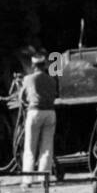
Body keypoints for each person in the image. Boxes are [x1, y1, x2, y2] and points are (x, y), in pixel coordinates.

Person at [21, 51, 58, 180]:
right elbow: (55, 95)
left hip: (34, 112)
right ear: (44, 65)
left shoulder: (28, 79)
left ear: (33, 65)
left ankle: (28, 179)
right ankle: (44, 179)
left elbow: (22, 97)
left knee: (30, 148)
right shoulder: (51, 80)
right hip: (50, 113)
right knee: (47, 148)